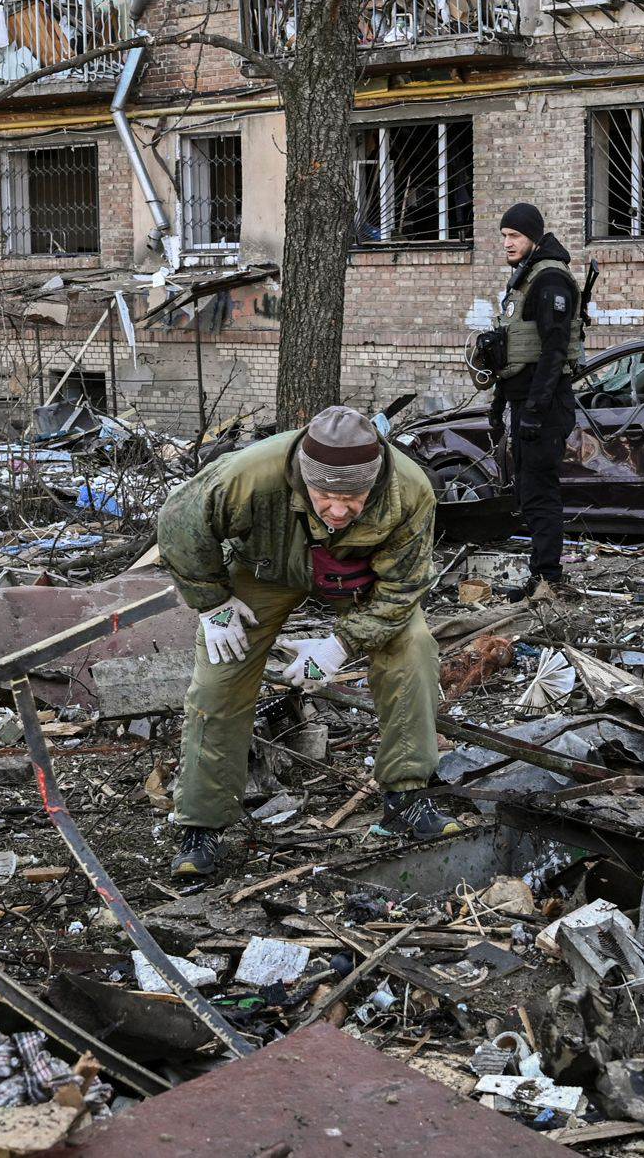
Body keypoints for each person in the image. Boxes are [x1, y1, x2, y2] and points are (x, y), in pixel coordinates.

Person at [163, 406, 463, 878]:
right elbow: (180, 523)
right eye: (326, 495)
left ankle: (406, 796)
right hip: (267, 568)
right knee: (219, 678)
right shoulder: (249, 474)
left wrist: (339, 645)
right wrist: (212, 603)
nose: (339, 510)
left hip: (359, 580)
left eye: (354, 497)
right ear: (304, 475)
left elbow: (402, 588)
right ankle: (203, 825)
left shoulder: (410, 488)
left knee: (414, 647)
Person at [486, 202, 581, 599]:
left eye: (515, 237)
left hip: (544, 406)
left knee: (540, 493)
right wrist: (499, 405)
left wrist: (535, 413)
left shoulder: (550, 280)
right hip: (524, 403)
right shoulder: (525, 278)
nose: (508, 243)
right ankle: (541, 576)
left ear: (534, 238)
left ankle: (548, 579)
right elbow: (513, 352)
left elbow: (554, 351)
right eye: (505, 236)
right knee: (528, 491)